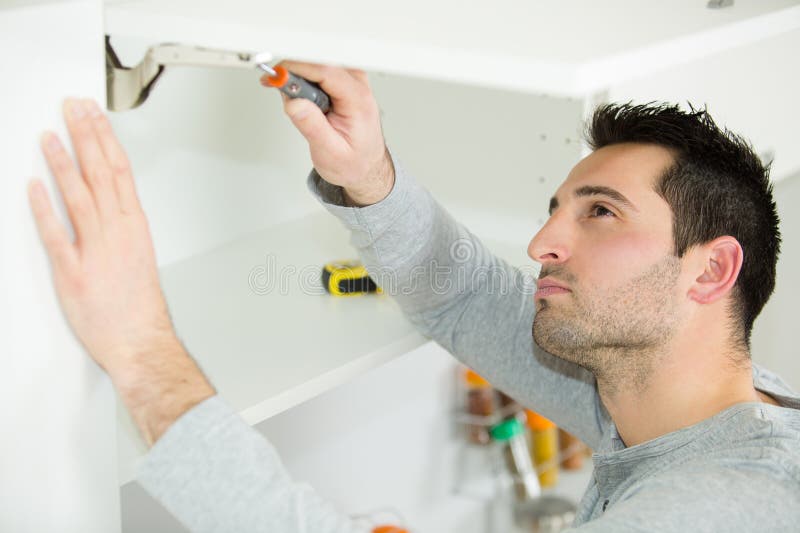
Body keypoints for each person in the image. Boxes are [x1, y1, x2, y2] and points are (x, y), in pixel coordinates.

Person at [26, 61, 800, 532]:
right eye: (555, 209)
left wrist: (141, 349)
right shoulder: (658, 402)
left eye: (600, 212)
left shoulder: (726, 504)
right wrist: (367, 173)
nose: (542, 242)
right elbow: (464, 296)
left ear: (711, 270)